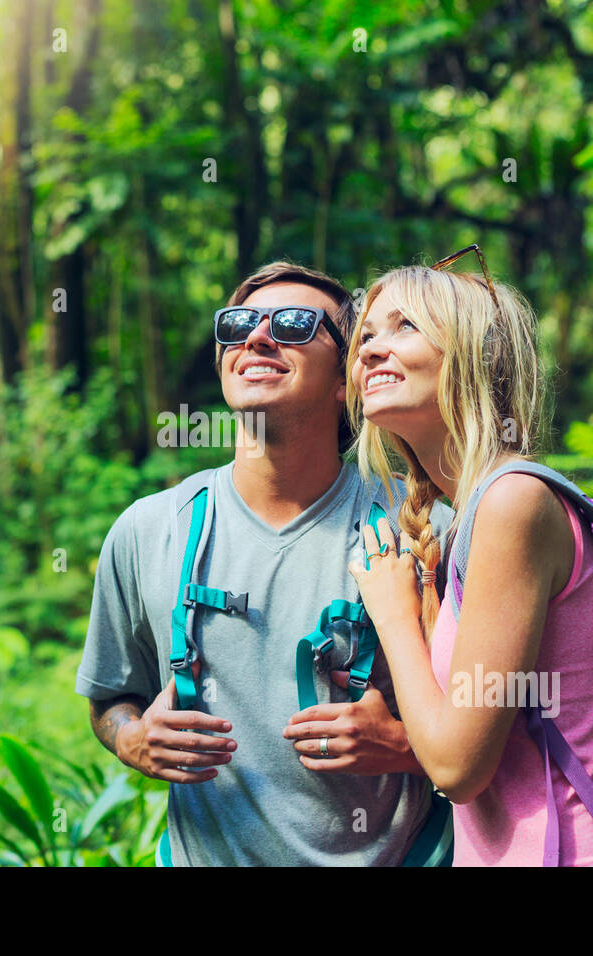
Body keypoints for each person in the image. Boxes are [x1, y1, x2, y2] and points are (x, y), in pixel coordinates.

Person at [76, 261, 452, 866]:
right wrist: (132, 739)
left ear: (346, 381)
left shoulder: (425, 529)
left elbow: (503, 734)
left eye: (296, 325)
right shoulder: (147, 530)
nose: (256, 337)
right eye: (238, 324)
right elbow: (111, 697)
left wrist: (405, 746)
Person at [344, 247, 593, 866]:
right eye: (365, 335)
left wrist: (392, 613)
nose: (368, 349)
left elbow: (456, 767)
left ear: (473, 354)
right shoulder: (467, 518)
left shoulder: (512, 504)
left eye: (404, 326)